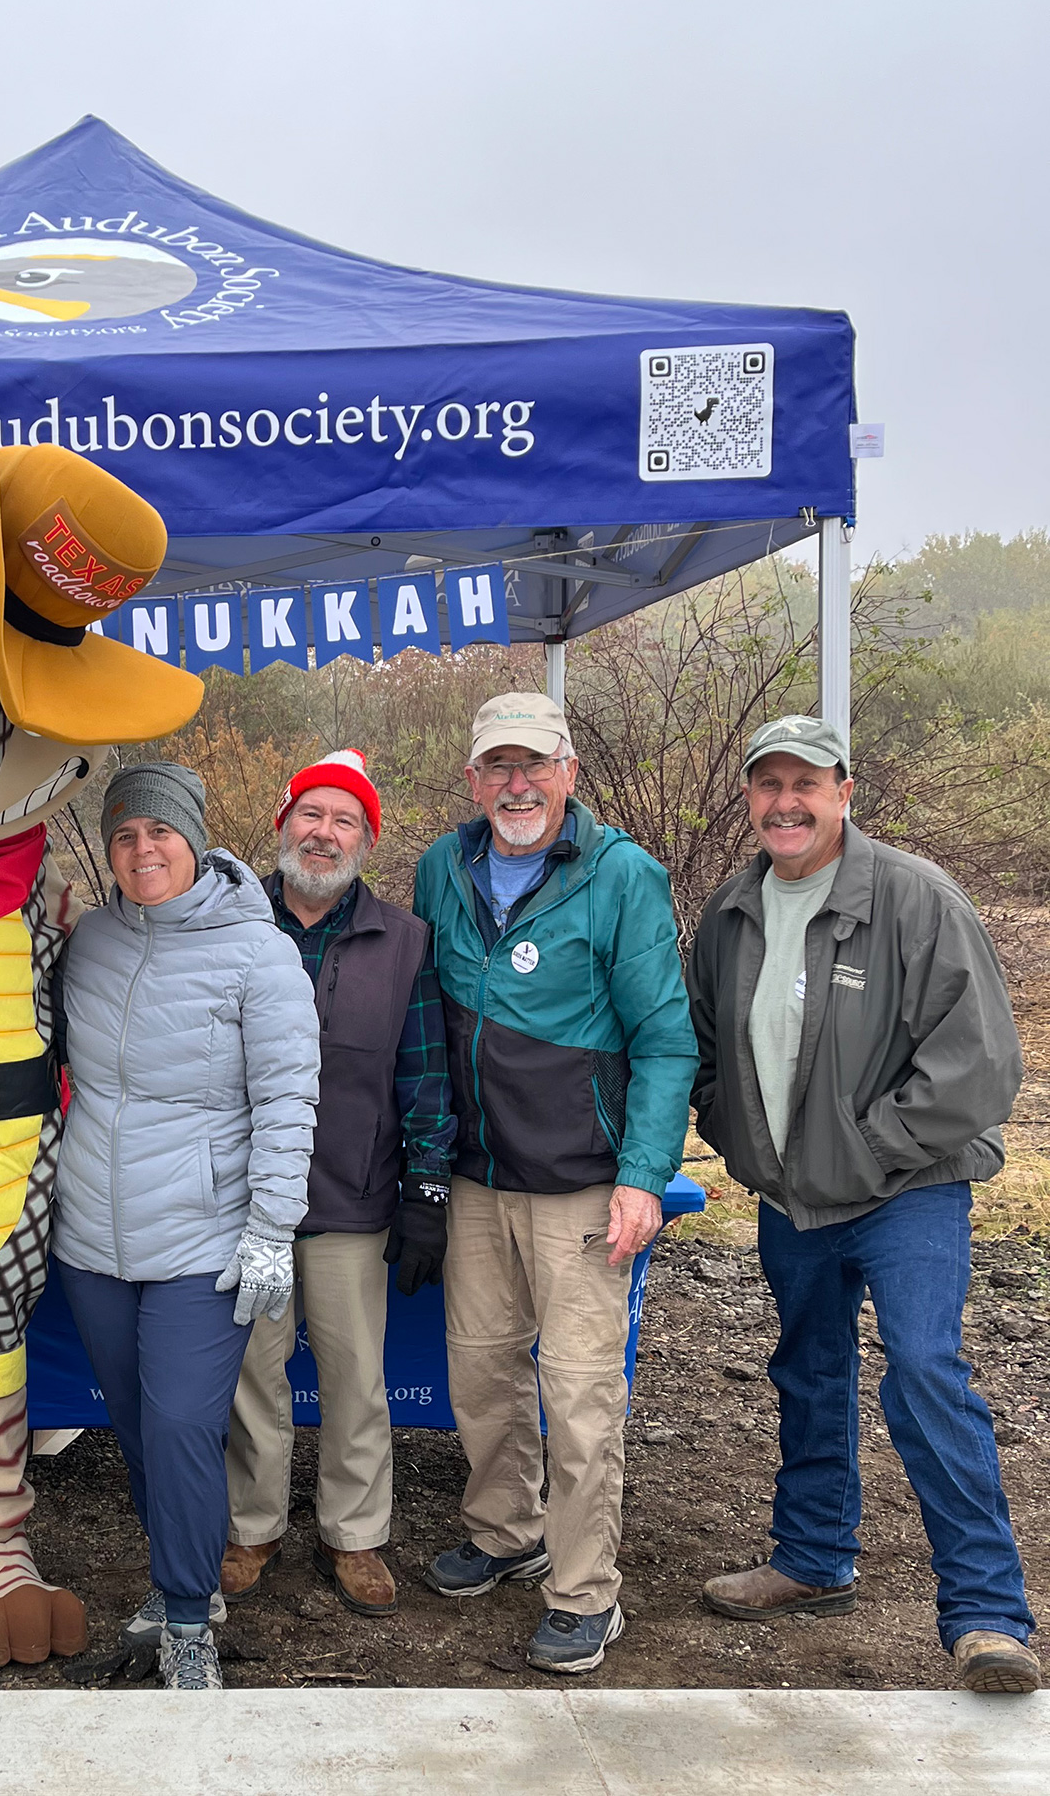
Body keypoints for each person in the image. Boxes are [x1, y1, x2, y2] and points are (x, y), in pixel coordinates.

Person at [688, 716, 1039, 1694]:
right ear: (750, 799)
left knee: (925, 1371)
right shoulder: (730, 913)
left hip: (905, 1189)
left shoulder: (916, 900)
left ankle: (985, 1618)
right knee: (807, 1367)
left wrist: (866, 1149)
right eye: (768, 786)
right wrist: (745, 1143)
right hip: (789, 1198)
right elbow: (709, 1053)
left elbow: (979, 1066)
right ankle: (811, 1560)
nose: (785, 803)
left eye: (806, 784)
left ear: (845, 790)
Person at [412, 692, 696, 1674]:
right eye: (498, 766)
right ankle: (505, 1533)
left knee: (577, 1397)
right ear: (472, 780)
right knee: (482, 1378)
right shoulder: (440, 870)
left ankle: (584, 1593)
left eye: (534, 764)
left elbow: (663, 1040)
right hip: (477, 1180)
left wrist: (644, 1176)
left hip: (581, 1184)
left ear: (568, 772)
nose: (517, 784)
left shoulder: (622, 877)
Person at [53, 762, 319, 1691]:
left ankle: (184, 1613)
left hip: (202, 1239)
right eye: (124, 835)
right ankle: (188, 1587)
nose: (141, 850)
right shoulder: (86, 941)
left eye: (159, 832)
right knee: (136, 1428)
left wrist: (269, 1229)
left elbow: (288, 1099)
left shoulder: (259, 952)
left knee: (179, 1426)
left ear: (195, 838)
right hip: (90, 1234)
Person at [223, 750, 455, 1618]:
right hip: (246, 1202)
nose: (323, 833)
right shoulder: (232, 926)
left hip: (354, 1198)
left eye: (343, 819)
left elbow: (426, 1078)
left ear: (366, 840)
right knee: (254, 1371)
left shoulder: (405, 943)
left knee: (357, 1377)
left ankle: (354, 1534)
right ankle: (252, 1525)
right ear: (283, 825)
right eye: (310, 815)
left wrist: (426, 1189)